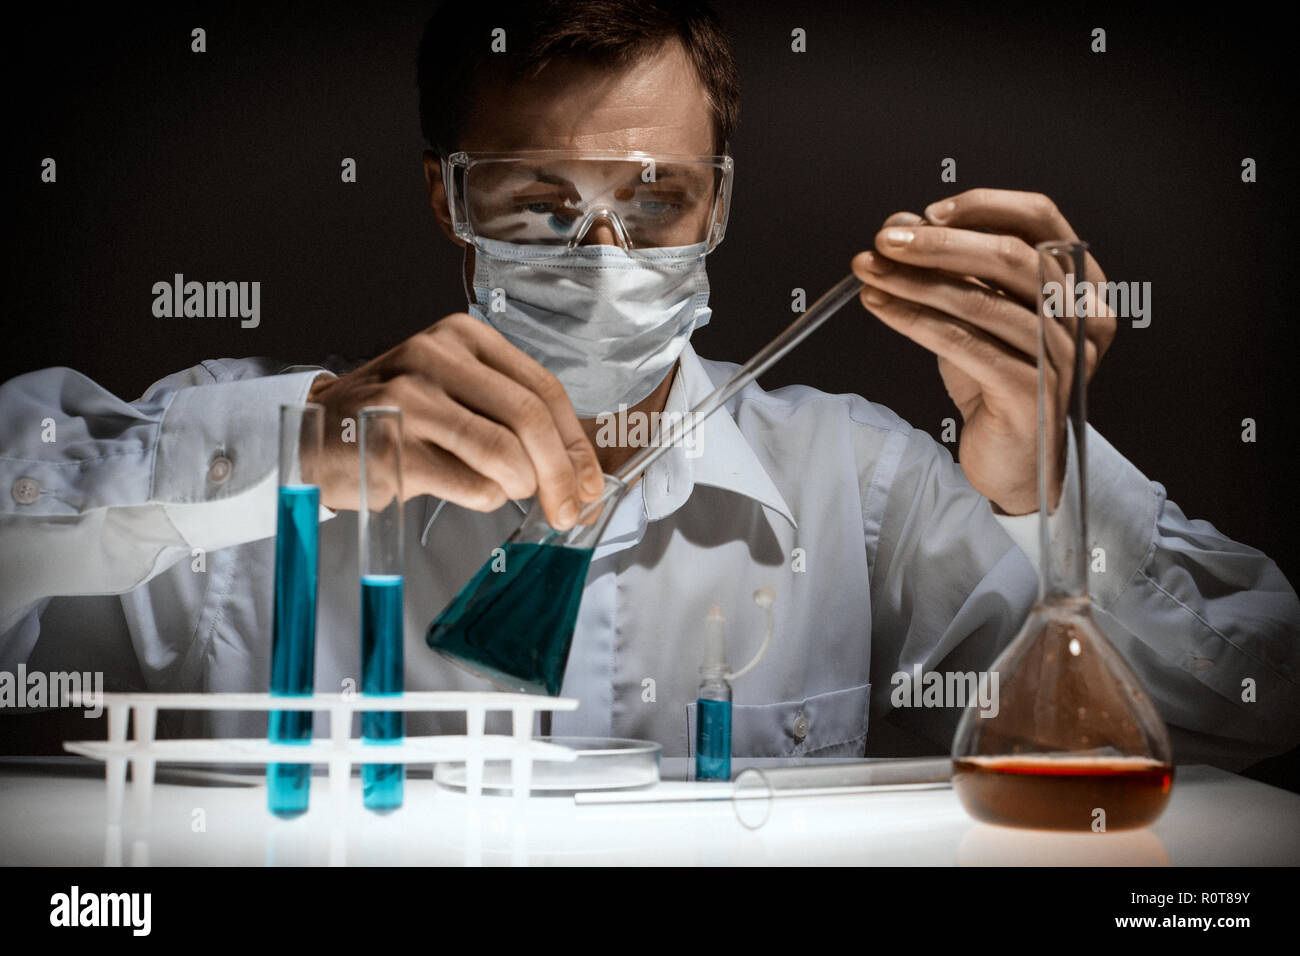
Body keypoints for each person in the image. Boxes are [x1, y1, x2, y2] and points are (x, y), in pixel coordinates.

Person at [1, 0, 1296, 768]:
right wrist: (280, 446)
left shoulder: (859, 485)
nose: (604, 254)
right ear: (452, 205)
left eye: (659, 197)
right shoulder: (255, 479)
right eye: (538, 201)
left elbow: (1253, 707)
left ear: (720, 206)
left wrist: (1047, 478)